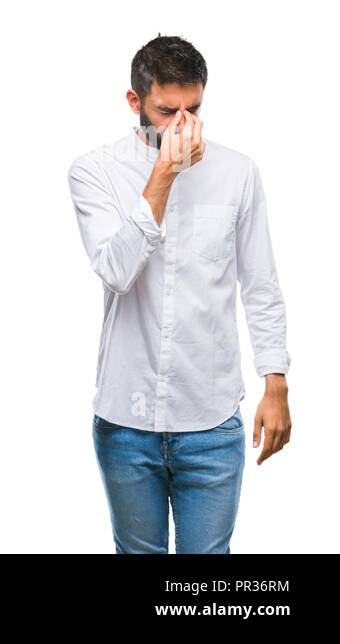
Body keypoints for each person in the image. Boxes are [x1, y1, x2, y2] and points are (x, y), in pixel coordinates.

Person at [68, 35, 292, 554]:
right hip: (126, 424)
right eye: (168, 112)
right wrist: (165, 171)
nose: (184, 124)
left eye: (194, 109)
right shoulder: (94, 171)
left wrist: (275, 382)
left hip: (211, 419)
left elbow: (260, 283)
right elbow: (117, 271)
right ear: (134, 102)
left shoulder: (238, 172)